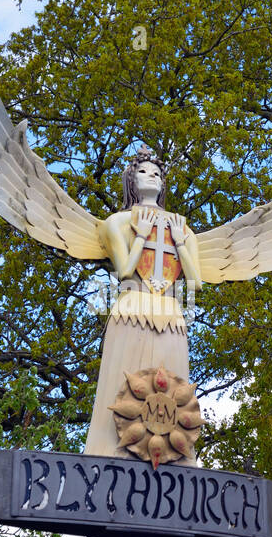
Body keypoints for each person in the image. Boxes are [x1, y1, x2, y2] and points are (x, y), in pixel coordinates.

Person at [83, 148, 201, 463]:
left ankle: (175, 462)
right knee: (121, 387)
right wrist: (142, 235)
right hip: (131, 309)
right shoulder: (117, 222)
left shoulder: (183, 227)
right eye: (144, 171)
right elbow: (124, 271)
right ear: (131, 180)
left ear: (163, 184)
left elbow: (195, 281)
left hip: (170, 316)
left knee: (171, 392)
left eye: (157, 173)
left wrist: (178, 240)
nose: (152, 176)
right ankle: (109, 458)